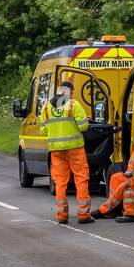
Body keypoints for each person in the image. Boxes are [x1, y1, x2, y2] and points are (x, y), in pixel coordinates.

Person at [41, 79, 91, 224]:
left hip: (56, 150)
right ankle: (83, 215)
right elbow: (83, 127)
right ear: (70, 91)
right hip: (75, 148)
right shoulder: (73, 104)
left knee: (60, 182)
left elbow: (44, 129)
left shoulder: (46, 107)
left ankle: (62, 215)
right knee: (81, 179)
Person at [95, 118, 134, 222]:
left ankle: (127, 213)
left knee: (129, 184)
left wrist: (133, 174)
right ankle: (116, 209)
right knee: (116, 178)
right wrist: (129, 172)